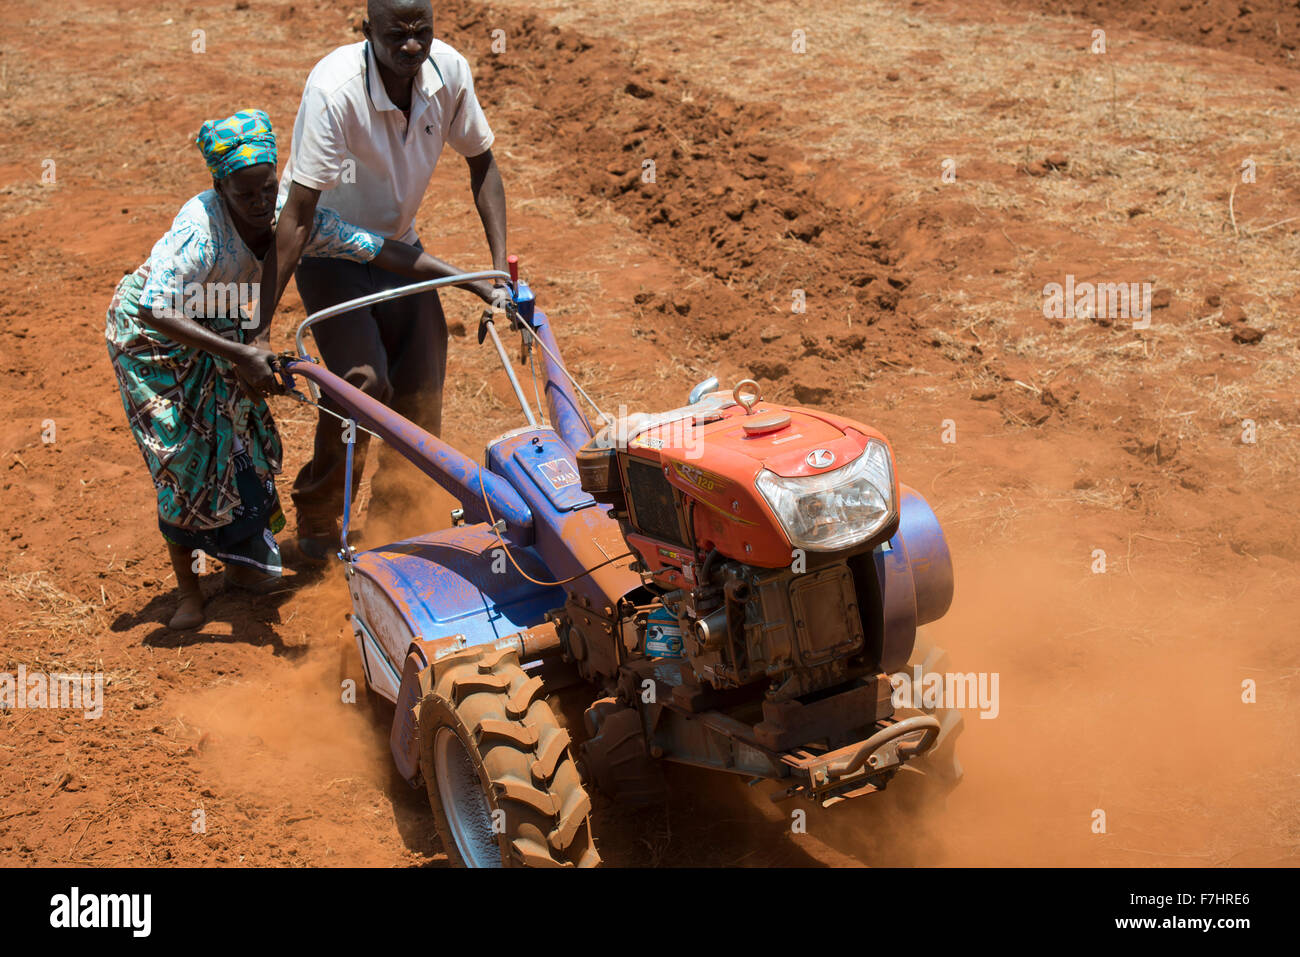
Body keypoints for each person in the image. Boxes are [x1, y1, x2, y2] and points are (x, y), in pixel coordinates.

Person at [107, 108, 499, 630]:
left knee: (238, 440)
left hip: (221, 334)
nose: (260, 203)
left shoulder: (290, 218)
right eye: (245, 194)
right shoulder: (199, 229)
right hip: (154, 345)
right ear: (220, 188)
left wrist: (473, 280)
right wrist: (244, 353)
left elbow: (385, 253)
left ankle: (245, 564)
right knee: (183, 457)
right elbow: (154, 309)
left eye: (268, 188)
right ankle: (189, 592)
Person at [264, 0, 510, 562]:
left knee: (422, 383)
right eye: (396, 34)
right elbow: (299, 215)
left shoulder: (449, 73)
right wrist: (256, 330)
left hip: (398, 245)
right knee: (362, 381)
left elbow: (483, 163)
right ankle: (321, 510)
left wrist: (497, 272)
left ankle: (394, 524)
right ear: (366, 30)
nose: (411, 46)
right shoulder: (334, 89)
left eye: (422, 31)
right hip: (330, 249)